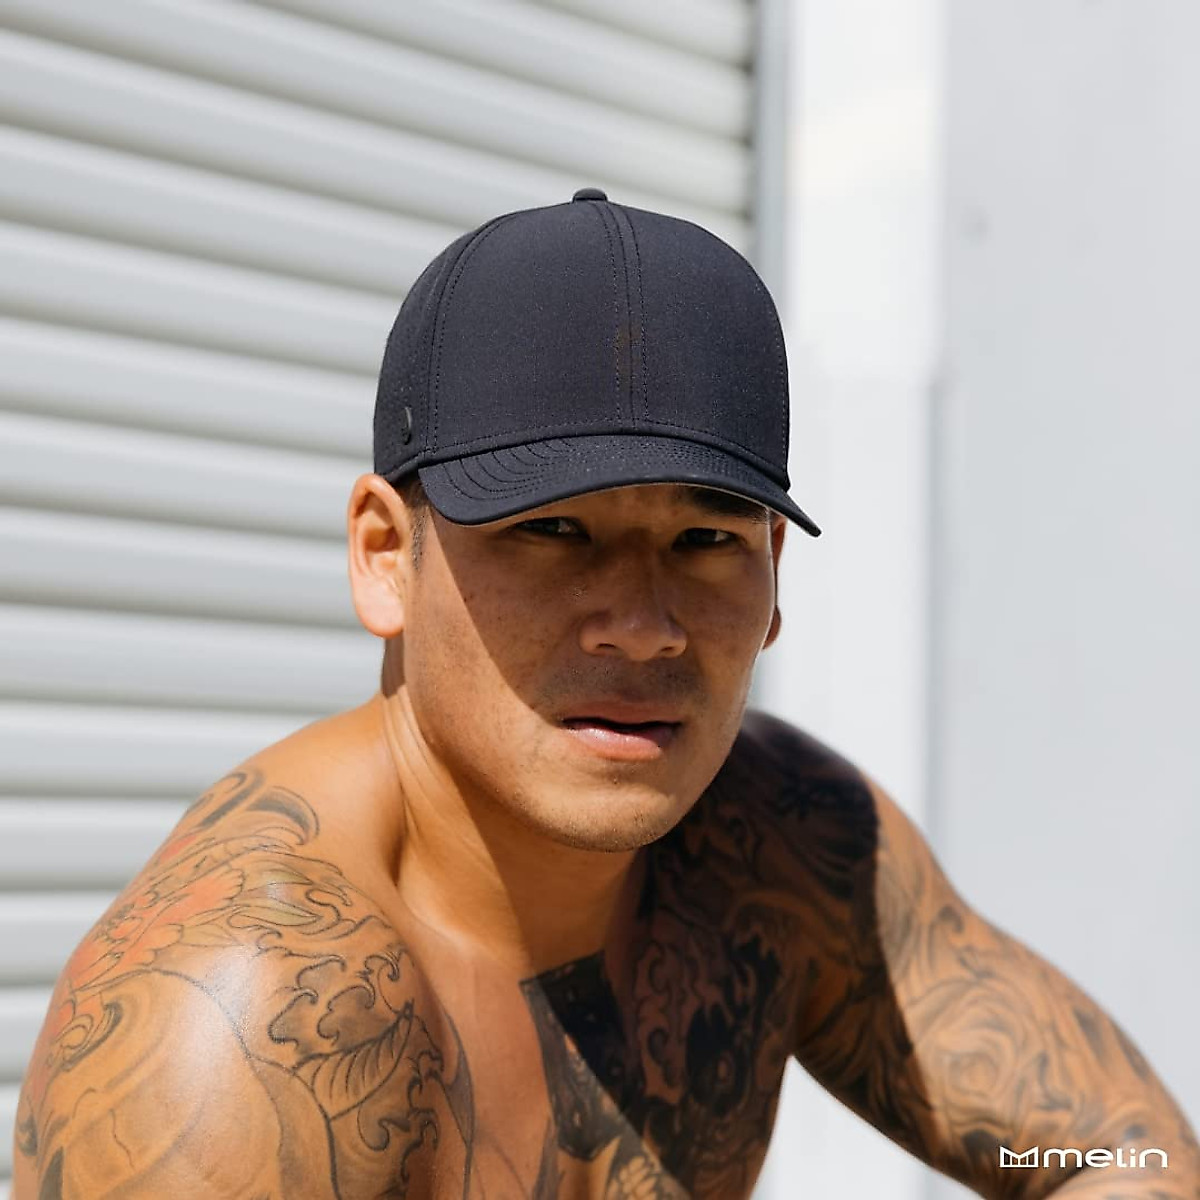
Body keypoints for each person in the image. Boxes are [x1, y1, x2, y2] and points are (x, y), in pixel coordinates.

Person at [12, 189, 1198, 1200]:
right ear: (384, 556)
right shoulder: (248, 1025)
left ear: (774, 578)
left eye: (704, 540)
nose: (642, 623)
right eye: (552, 530)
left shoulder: (777, 847)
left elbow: (1120, 1151)